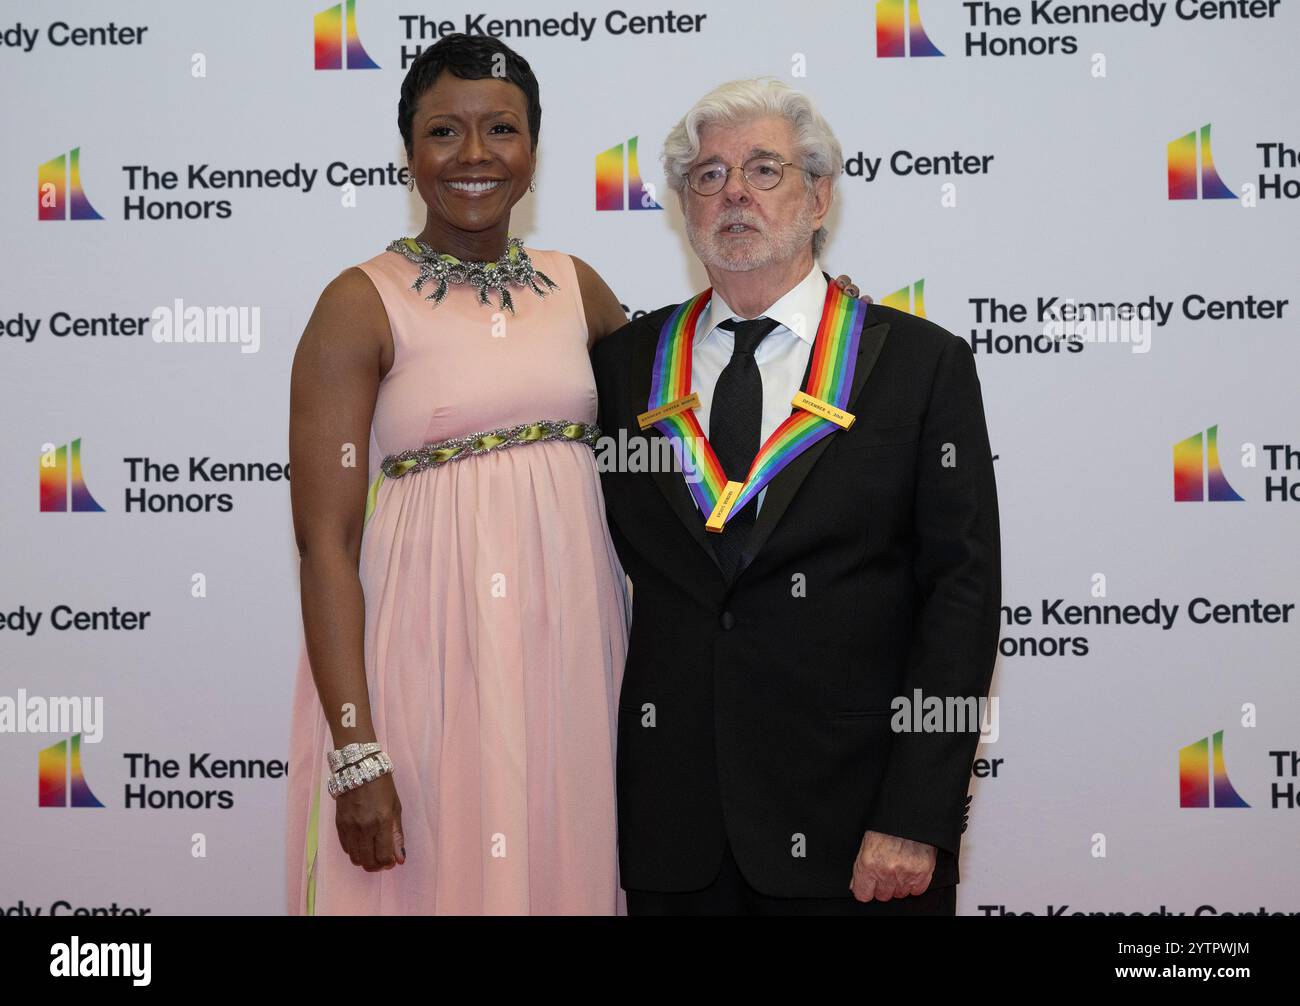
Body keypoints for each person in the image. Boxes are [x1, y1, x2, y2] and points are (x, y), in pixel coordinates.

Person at [591, 78, 1002, 915]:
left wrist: (917, 818)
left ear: (819, 195)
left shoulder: (923, 366)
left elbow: (962, 599)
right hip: (676, 834)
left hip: (860, 832)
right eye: (707, 175)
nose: (733, 192)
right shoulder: (622, 367)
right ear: (682, 206)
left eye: (764, 170)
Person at [283, 34, 636, 915]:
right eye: (445, 130)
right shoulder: (358, 301)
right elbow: (325, 544)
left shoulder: (578, 287)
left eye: (501, 130)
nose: (475, 156)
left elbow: (683, 415)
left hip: (572, 662)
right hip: (426, 662)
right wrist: (358, 753)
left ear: (533, 152)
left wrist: (810, 308)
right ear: (408, 151)